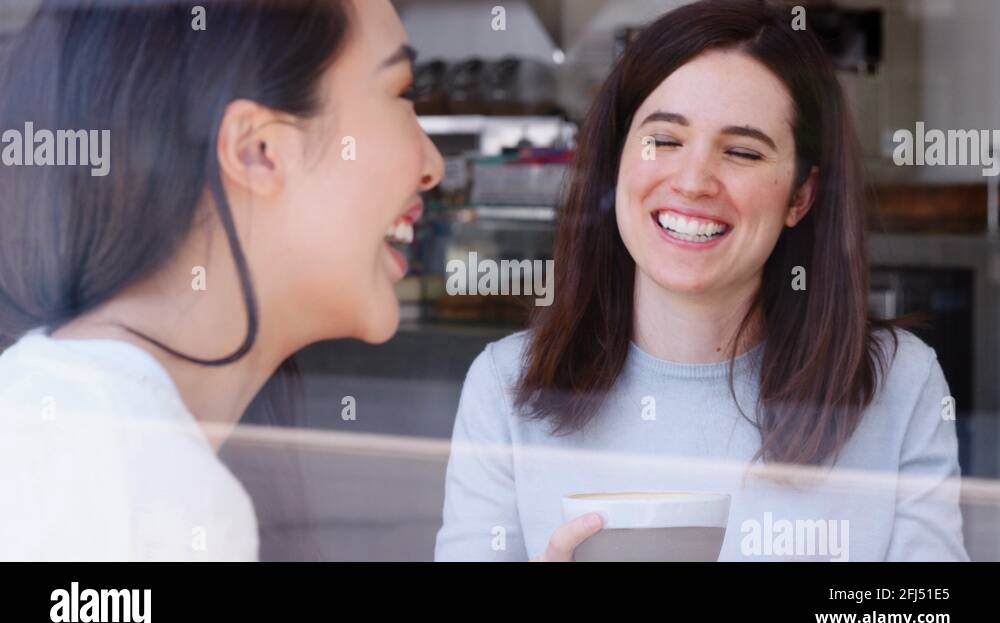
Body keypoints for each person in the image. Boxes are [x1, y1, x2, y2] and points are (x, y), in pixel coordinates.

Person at [435, 0, 968, 562]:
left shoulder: (900, 384)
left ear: (800, 196)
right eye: (663, 140)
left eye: (741, 151)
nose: (692, 181)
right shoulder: (504, 387)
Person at [0, 0, 443, 561]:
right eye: (400, 92)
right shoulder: (128, 483)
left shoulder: (76, 430)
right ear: (257, 150)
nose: (433, 164)